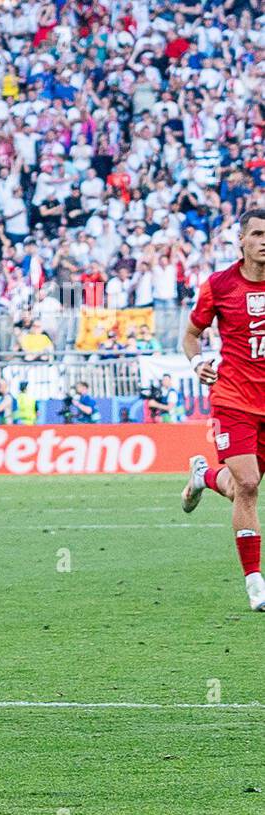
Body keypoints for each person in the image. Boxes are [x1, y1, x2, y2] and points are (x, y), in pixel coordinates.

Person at [180, 209, 265, 611]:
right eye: (258, 234)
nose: (264, 241)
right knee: (247, 483)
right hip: (234, 400)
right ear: (242, 241)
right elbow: (192, 334)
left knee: (238, 487)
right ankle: (255, 584)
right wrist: (197, 363)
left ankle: (203, 476)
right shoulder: (219, 285)